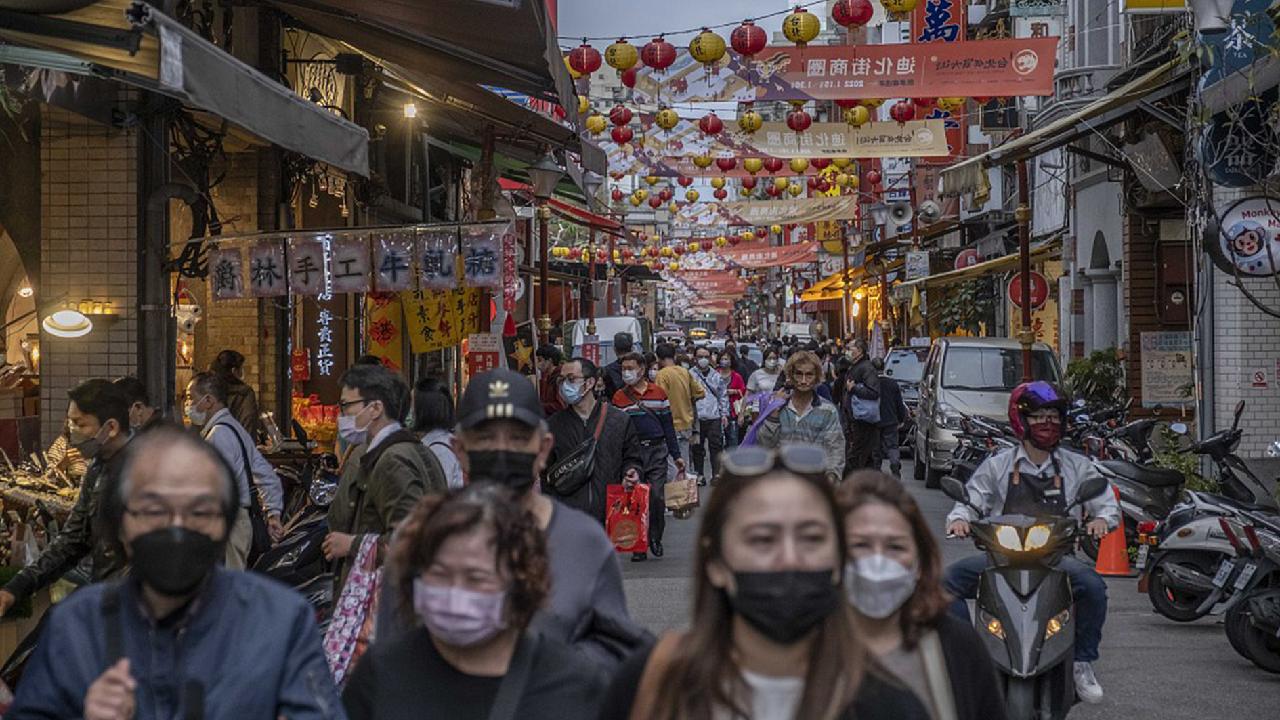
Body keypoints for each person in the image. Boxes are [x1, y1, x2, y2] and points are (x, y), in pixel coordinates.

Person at [7, 427, 342, 719]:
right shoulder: (77, 626)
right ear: (120, 525)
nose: (177, 527)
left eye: (198, 510)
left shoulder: (281, 622)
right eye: (154, 511)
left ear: (222, 525)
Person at [597, 444, 929, 720]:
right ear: (715, 563)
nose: (789, 557)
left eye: (811, 538)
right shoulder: (651, 686)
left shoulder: (887, 706)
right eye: (762, 540)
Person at [380, 369, 639, 668]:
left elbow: (613, 658)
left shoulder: (585, 542)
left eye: (517, 439)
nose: (501, 450)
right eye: (486, 438)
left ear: (543, 450)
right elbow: (393, 656)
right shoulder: (419, 539)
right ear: (460, 450)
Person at [344, 485, 606, 720]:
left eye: (476, 578)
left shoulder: (571, 684)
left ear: (521, 583)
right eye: (439, 574)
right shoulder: (380, 675)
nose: (455, 592)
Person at [944, 381, 1119, 705]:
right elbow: (971, 500)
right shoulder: (998, 464)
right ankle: (966, 655)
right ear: (1021, 420)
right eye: (1038, 416)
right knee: (945, 583)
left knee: (1093, 587)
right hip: (1000, 560)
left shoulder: (1078, 466)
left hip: (1054, 561)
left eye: (1053, 415)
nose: (1046, 423)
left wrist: (1100, 521)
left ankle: (1083, 662)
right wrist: (960, 519)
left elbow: (1106, 505)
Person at [839, 471, 1008, 720]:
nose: (878, 561)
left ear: (919, 560)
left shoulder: (959, 647)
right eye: (860, 545)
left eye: (895, 547)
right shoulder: (802, 645)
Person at [0, 380, 133, 617]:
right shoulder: (98, 469)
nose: (71, 430)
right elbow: (73, 539)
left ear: (111, 427)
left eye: (79, 423)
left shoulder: (150, 472)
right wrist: (17, 587)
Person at [325, 365, 447, 594]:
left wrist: (352, 544)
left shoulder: (392, 460)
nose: (342, 415)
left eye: (346, 405)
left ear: (375, 408)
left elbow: (407, 542)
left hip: (389, 599)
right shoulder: (414, 449)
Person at [184, 372, 286, 568]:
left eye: (190, 398)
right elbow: (266, 474)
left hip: (227, 523)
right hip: (239, 522)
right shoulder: (233, 428)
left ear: (208, 400)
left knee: (226, 588)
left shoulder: (219, 435)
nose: (187, 405)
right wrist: (273, 512)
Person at [546, 358, 643, 524]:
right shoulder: (553, 425)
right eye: (560, 380)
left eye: (570, 379)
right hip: (568, 518)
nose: (563, 386)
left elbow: (632, 457)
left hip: (610, 513)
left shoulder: (619, 420)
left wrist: (632, 471)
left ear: (590, 382)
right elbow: (545, 472)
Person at [612, 353, 684, 561]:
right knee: (635, 498)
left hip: (657, 450)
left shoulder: (659, 393)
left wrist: (676, 455)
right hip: (632, 452)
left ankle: (655, 537)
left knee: (656, 497)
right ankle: (638, 545)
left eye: (630, 368)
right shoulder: (619, 397)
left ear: (642, 370)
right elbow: (616, 429)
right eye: (623, 368)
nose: (626, 372)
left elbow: (668, 427)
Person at [756, 351, 845, 484]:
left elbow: (835, 450)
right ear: (791, 376)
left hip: (815, 483)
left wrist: (831, 480)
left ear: (816, 378)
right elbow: (764, 445)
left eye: (809, 375)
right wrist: (773, 414)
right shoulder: (779, 406)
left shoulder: (827, 411)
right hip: (781, 482)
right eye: (799, 374)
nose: (803, 381)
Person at [655, 343, 704, 467]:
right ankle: (685, 486)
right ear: (674, 356)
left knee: (673, 467)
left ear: (659, 358)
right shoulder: (684, 372)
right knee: (684, 463)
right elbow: (700, 392)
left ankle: (677, 487)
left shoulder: (662, 375)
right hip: (686, 424)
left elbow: (659, 399)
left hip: (671, 425)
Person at [412, 377, 465, 490]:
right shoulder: (442, 440)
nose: (410, 411)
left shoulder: (439, 449)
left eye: (412, 405)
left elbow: (439, 491)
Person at [689, 345, 727, 484]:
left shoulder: (716, 376)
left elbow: (723, 396)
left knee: (716, 446)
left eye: (706, 356)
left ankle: (716, 474)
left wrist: (724, 414)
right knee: (697, 448)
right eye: (700, 357)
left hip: (714, 416)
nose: (703, 360)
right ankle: (699, 474)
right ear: (695, 358)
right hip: (696, 417)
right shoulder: (689, 375)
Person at [209, 349, 266, 442]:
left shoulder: (209, 391)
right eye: (242, 368)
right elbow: (248, 421)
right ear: (234, 371)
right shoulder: (245, 393)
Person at [844, 339, 881, 471]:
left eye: (850, 348)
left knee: (858, 454)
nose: (847, 351)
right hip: (855, 419)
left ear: (859, 351)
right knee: (863, 455)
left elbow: (874, 391)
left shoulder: (866, 368)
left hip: (863, 420)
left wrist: (854, 389)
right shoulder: (854, 367)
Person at [872, 358, 909, 478]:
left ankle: (876, 469)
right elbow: (899, 403)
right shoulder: (892, 383)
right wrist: (901, 418)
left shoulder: (870, 382)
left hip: (874, 420)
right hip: (890, 420)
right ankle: (895, 463)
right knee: (892, 446)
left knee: (876, 448)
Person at [718, 355, 746, 448]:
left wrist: (734, 391)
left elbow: (743, 391)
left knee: (733, 439)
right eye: (722, 358)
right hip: (718, 412)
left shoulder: (736, 376)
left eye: (726, 359)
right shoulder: (715, 374)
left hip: (733, 411)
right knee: (718, 440)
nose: (724, 361)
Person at [601, 332, 634, 400]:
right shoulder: (641, 367)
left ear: (614, 349)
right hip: (637, 408)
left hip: (616, 406)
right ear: (632, 348)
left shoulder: (607, 370)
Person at [536, 345, 566, 417]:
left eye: (540, 360)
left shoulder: (560, 378)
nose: (538, 364)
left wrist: (540, 406)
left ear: (550, 361)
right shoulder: (546, 377)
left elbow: (561, 406)